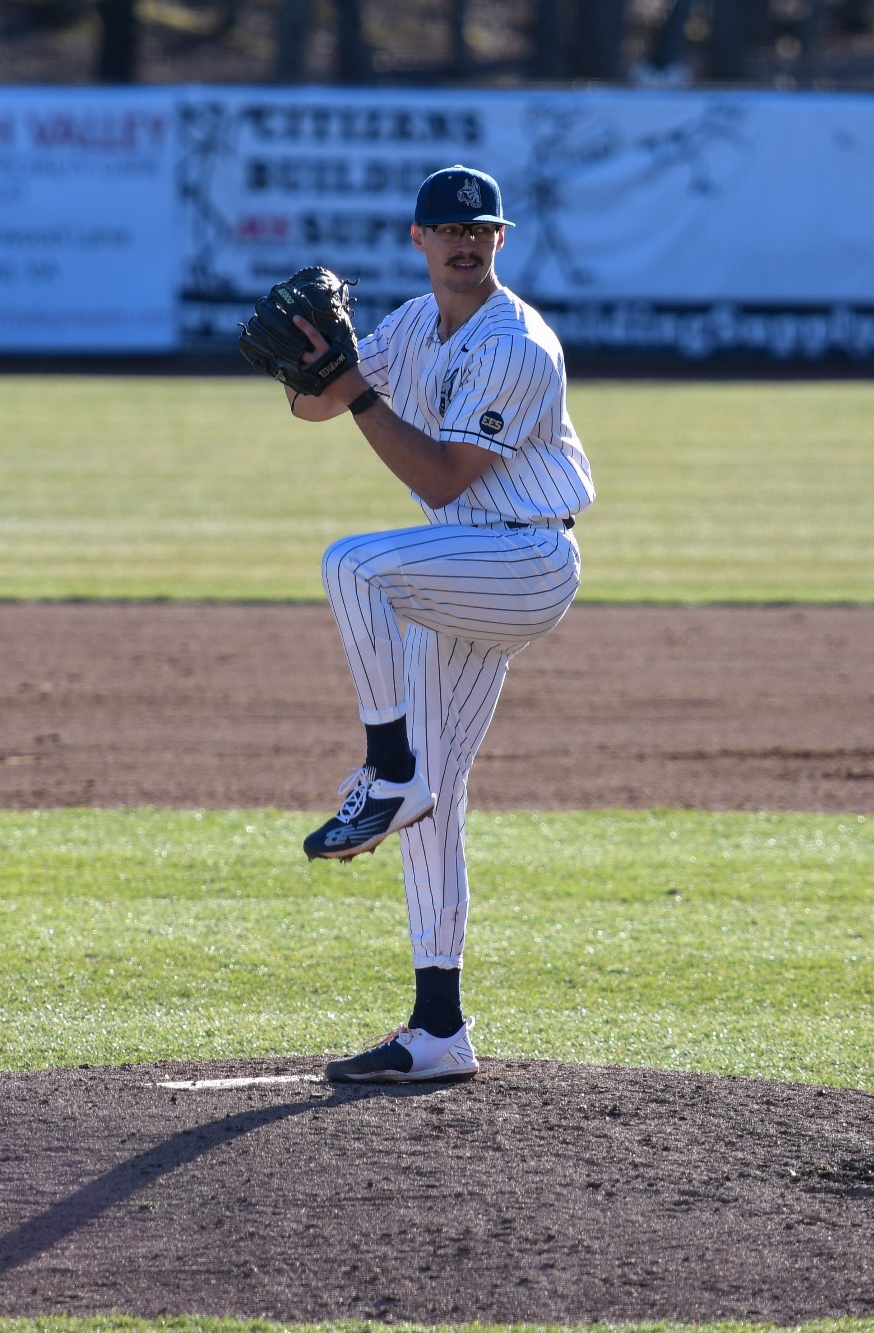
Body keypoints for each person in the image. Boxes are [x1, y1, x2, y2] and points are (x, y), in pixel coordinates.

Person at [285, 166, 596, 1083]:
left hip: (524, 560)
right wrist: (310, 362)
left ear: (500, 238)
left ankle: (385, 768)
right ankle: (438, 1028)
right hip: (467, 568)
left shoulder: (516, 344)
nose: (467, 242)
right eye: (450, 230)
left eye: (482, 229)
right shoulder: (416, 323)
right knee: (436, 802)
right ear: (418, 238)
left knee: (353, 564)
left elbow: (442, 479)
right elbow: (317, 403)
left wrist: (354, 388)